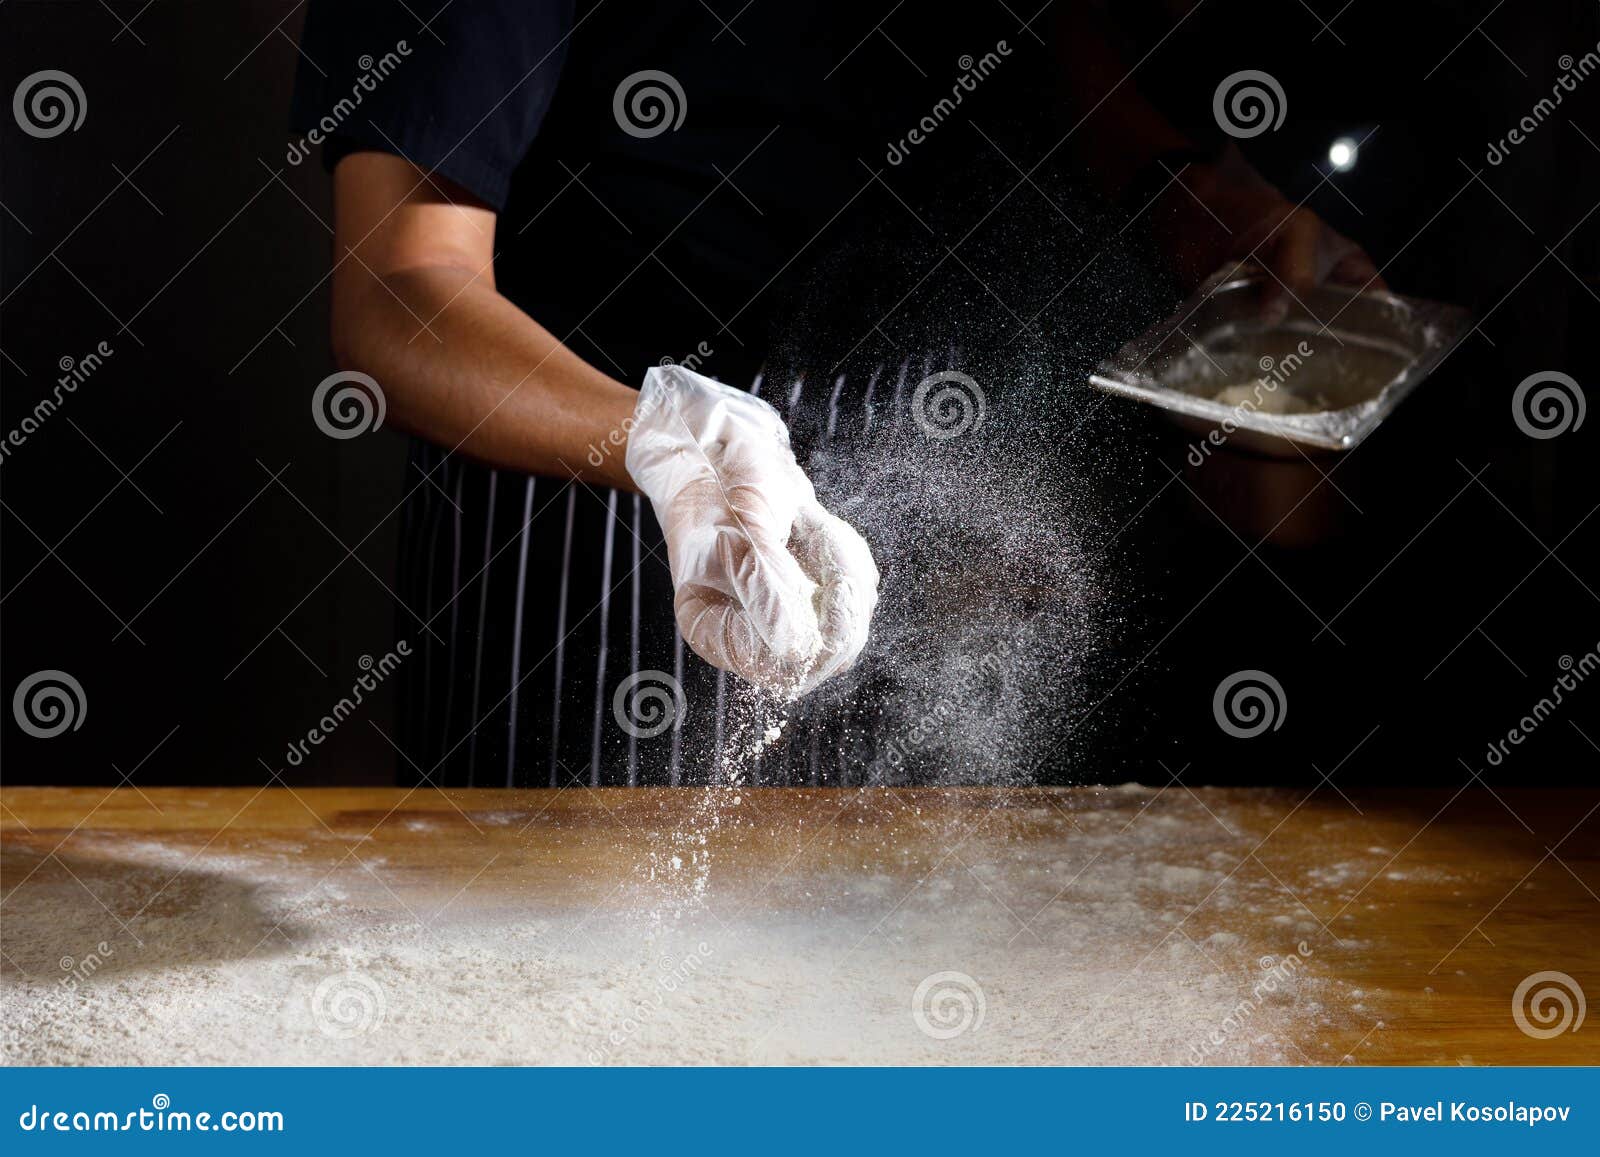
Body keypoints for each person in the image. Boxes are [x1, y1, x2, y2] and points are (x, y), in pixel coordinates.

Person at [291, 1, 1379, 787]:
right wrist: (670, 442)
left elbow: (1040, 35)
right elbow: (402, 289)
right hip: (606, 545)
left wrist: (1173, 183)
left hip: (953, 532)